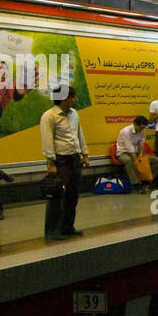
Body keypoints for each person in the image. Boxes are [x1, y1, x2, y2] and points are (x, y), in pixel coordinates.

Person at [40, 85, 90, 239]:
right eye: (73, 97)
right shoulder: (49, 116)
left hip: (74, 158)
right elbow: (47, 140)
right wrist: (51, 163)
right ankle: (52, 232)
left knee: (72, 195)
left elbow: (78, 134)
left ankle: (67, 227)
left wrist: (84, 153)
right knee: (56, 196)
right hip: (60, 160)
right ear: (64, 99)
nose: (75, 100)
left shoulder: (74, 114)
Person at [115, 116, 158, 194]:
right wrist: (138, 162)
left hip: (136, 152)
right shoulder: (125, 132)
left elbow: (141, 144)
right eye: (140, 127)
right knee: (129, 161)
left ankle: (147, 181)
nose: (141, 129)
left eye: (143, 128)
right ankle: (135, 183)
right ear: (135, 124)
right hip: (123, 152)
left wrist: (140, 155)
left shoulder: (142, 131)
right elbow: (129, 148)